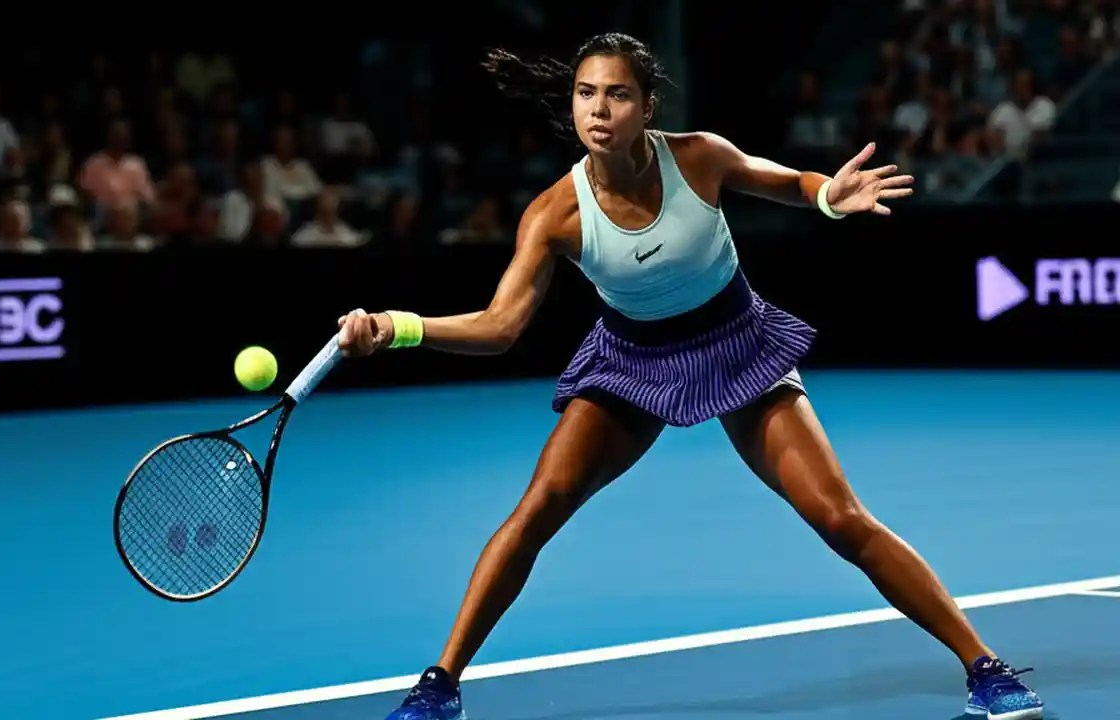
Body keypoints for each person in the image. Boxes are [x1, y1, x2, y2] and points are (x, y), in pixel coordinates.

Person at [335, 33, 1043, 720]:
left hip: (740, 345)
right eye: (586, 94)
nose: (598, 110)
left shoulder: (699, 158)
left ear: (647, 107)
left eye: (616, 95)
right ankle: (440, 685)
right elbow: (499, 327)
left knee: (838, 517)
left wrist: (831, 195)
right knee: (538, 508)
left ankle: (984, 666)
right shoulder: (554, 215)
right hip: (629, 365)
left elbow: (788, 182)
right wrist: (397, 326)